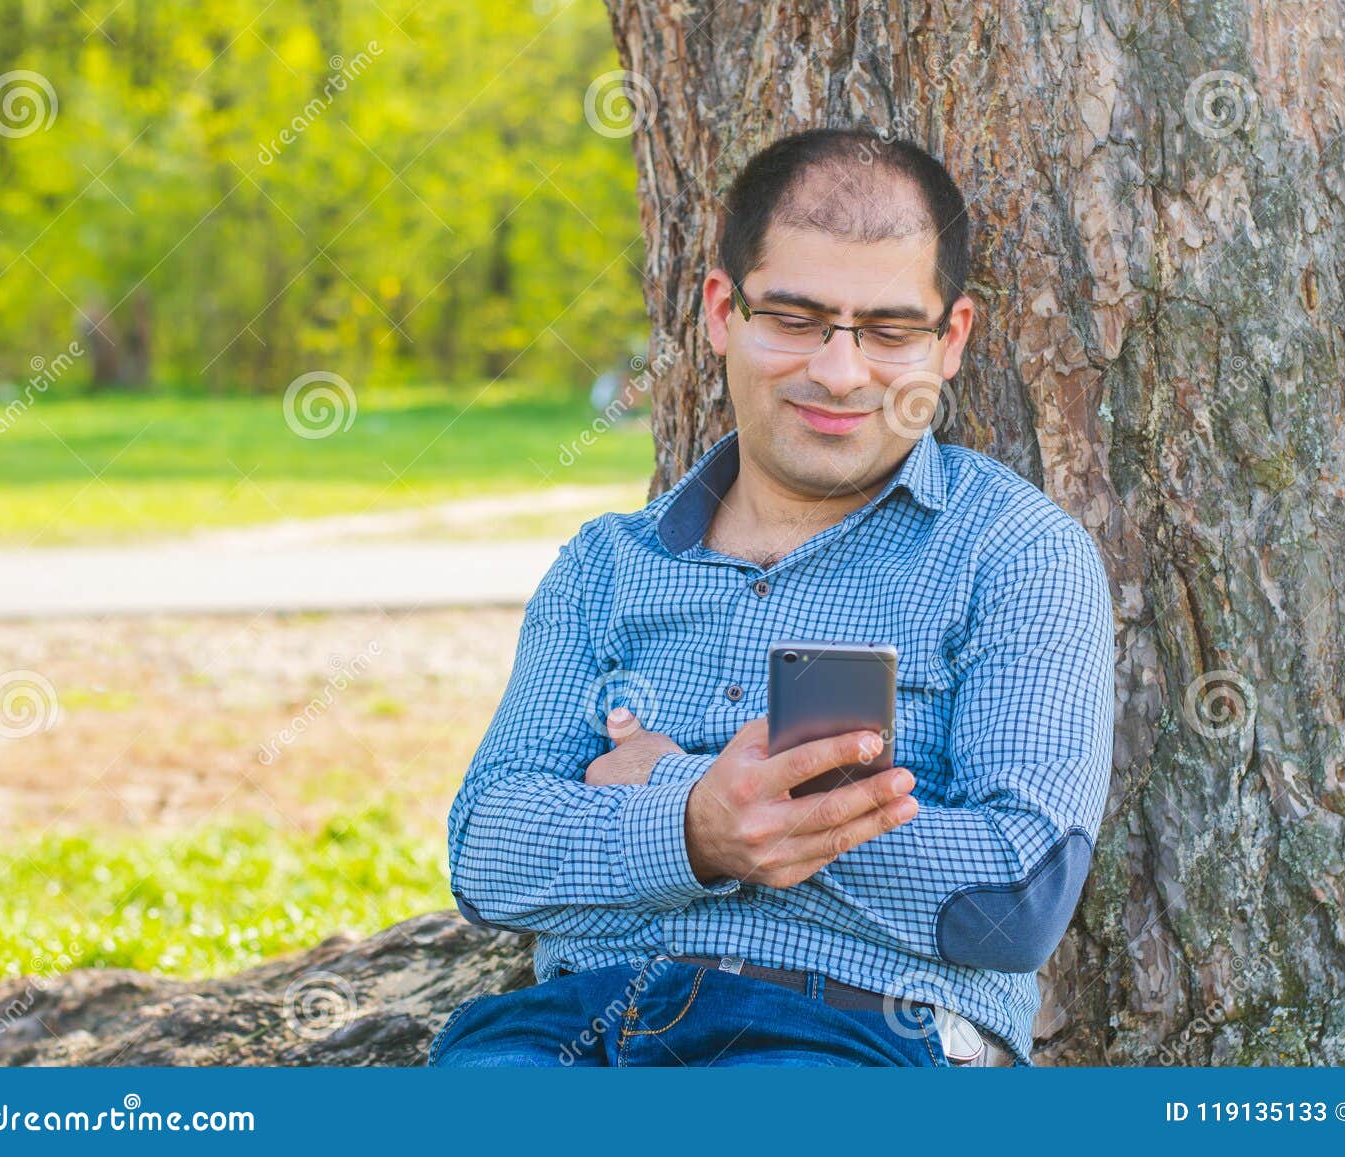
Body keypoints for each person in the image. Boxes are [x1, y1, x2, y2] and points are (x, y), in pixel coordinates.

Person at [429, 127, 1115, 1068]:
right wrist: (696, 828)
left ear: (950, 338)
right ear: (722, 312)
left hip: (852, 1039)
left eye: (888, 330)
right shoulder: (606, 566)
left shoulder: (1013, 553)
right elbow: (488, 854)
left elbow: (1013, 900)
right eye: (794, 319)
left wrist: (679, 797)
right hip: (565, 1032)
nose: (839, 373)